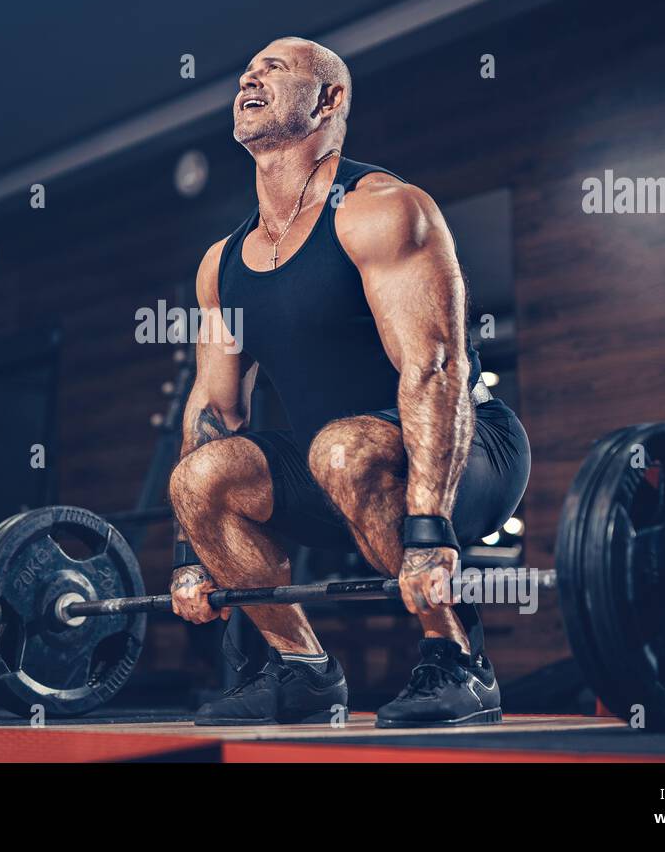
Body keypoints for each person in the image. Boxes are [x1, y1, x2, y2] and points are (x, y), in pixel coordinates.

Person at [167, 37, 531, 727]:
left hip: (464, 451)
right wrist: (191, 553)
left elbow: (436, 367)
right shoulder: (222, 264)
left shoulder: (382, 210)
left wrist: (428, 528)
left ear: (328, 100)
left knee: (343, 447)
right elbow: (215, 410)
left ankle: (459, 659)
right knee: (201, 476)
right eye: (246, 70)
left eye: (274, 68)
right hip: (330, 467)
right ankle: (302, 671)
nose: (250, 74)